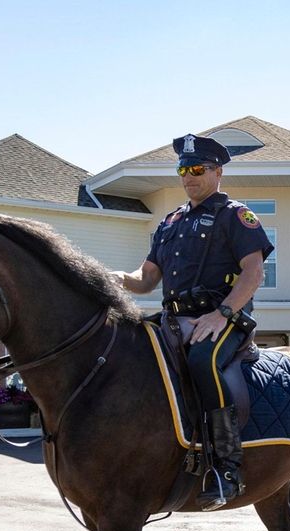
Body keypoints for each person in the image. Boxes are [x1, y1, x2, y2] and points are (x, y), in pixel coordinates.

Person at [112, 133, 273, 510]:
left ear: (218, 172)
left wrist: (222, 314)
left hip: (222, 318)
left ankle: (227, 469)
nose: (189, 177)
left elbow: (253, 273)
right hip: (172, 319)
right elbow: (146, 280)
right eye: (183, 170)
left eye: (198, 169)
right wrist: (113, 277)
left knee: (203, 362)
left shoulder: (236, 215)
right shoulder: (170, 222)